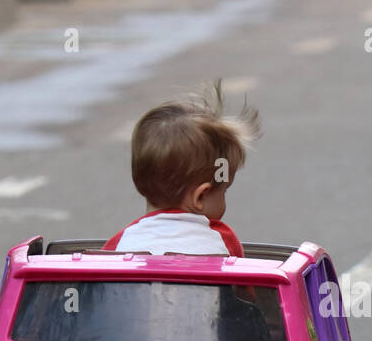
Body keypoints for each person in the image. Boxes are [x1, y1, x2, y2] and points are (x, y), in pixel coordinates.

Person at [104, 80, 260, 255]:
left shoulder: (120, 242)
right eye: (224, 191)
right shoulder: (222, 239)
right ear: (200, 196)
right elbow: (244, 282)